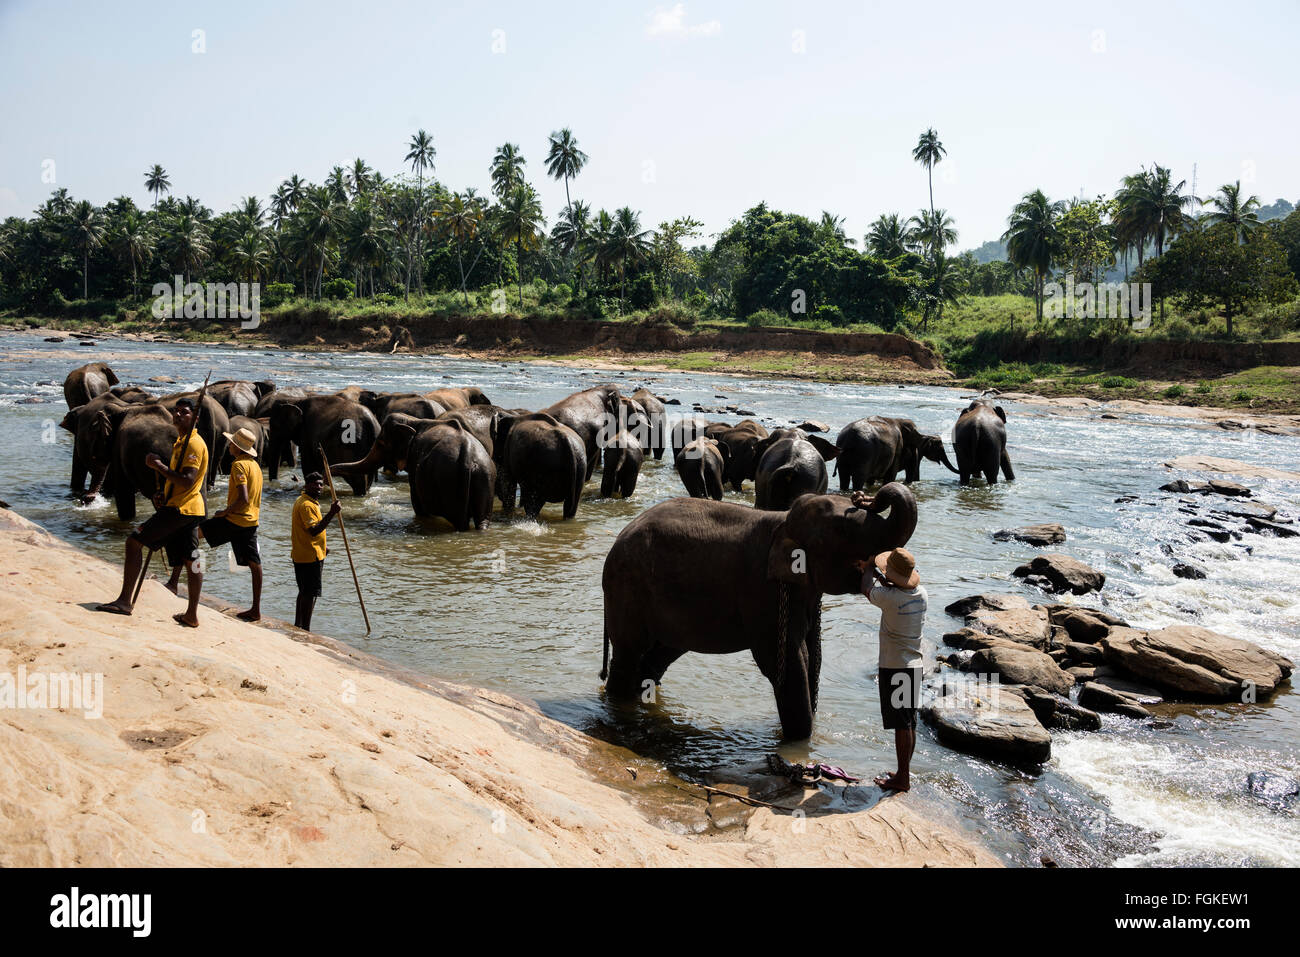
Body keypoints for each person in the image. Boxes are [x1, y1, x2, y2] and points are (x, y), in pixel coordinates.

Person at [96, 398, 208, 627]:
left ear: (195, 418)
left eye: (184, 413)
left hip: (181, 508)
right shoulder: (181, 442)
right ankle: (192, 614)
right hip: (189, 507)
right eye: (175, 412)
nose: (178, 415)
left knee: (134, 542)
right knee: (192, 558)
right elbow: (180, 481)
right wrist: (163, 493)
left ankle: (125, 601)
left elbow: (188, 481)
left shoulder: (194, 444)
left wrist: (158, 466)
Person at [851, 490, 927, 793]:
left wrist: (869, 565)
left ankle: (902, 779)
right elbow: (892, 588)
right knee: (909, 723)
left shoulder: (887, 598)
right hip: (915, 664)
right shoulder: (919, 595)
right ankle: (903, 772)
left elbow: (866, 588)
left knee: (901, 726)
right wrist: (886, 577)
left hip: (895, 668)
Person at [198, 426, 264, 621]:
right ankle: (256, 609)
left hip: (234, 520)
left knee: (193, 535)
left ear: (236, 446)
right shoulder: (256, 467)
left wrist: (223, 512)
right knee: (255, 564)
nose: (228, 446)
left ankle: (176, 582)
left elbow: (243, 498)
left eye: (231, 443)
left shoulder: (238, 465)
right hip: (251, 522)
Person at [292, 471, 340, 631]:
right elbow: (313, 530)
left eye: (321, 484)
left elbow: (309, 531)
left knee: (304, 591)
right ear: (307, 485)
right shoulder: (306, 505)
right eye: (315, 484)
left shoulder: (309, 502)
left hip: (308, 552)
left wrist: (323, 546)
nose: (319, 487)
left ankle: (299, 624)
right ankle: (305, 628)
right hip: (309, 556)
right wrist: (332, 513)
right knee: (308, 593)